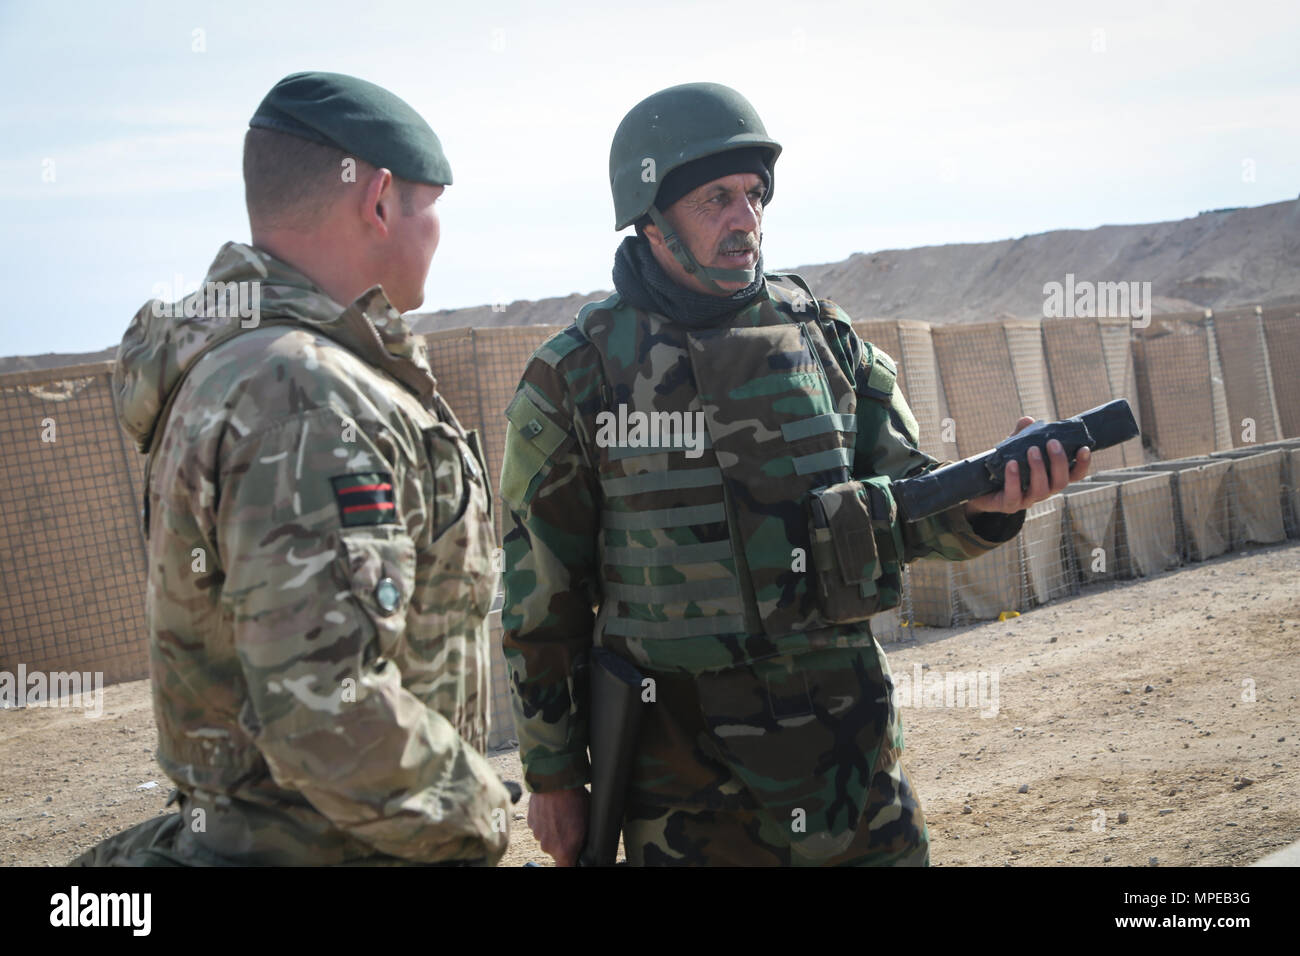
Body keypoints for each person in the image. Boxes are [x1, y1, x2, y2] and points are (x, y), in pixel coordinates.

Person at [499, 82, 1090, 867]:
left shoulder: (826, 341)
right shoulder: (577, 374)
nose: (745, 220)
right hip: (682, 791)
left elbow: (908, 502)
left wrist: (988, 501)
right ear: (650, 217)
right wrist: (551, 772)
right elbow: (541, 593)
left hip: (849, 762)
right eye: (716, 200)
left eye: (753, 196)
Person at [73, 71, 510, 866]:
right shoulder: (305, 394)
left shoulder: (236, 363)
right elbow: (325, 716)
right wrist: (477, 812)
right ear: (378, 200)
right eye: (432, 203)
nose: (440, 229)